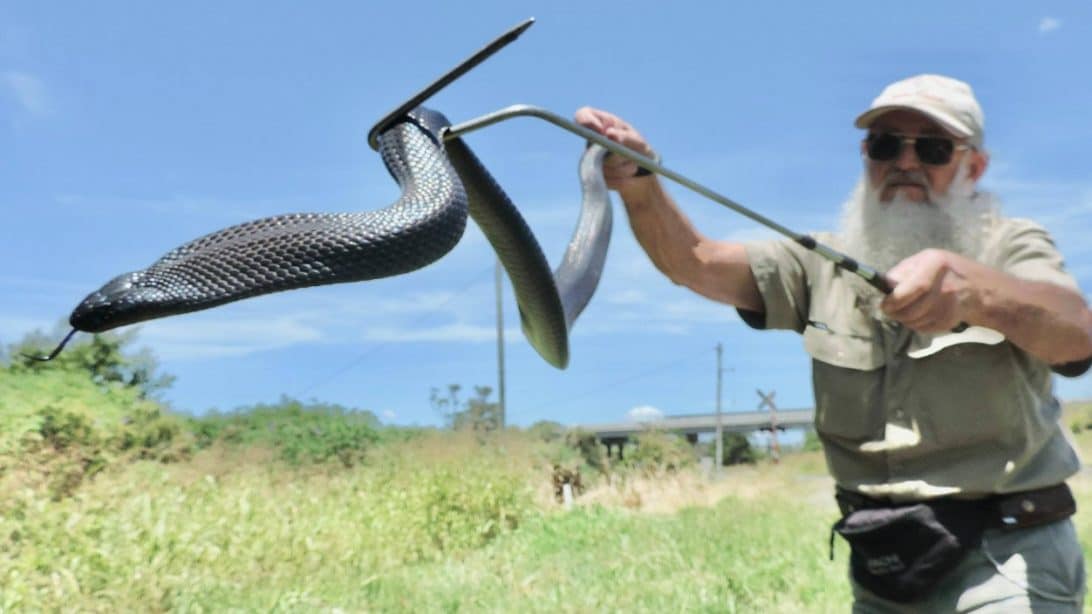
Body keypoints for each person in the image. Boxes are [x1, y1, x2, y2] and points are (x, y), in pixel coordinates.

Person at [576, 74, 1092, 612]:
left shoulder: (1010, 245)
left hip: (1005, 553)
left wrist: (976, 292)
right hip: (884, 564)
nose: (905, 162)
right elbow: (695, 261)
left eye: (934, 148)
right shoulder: (821, 261)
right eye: (886, 144)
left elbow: (1075, 329)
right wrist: (639, 183)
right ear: (867, 156)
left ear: (974, 167)